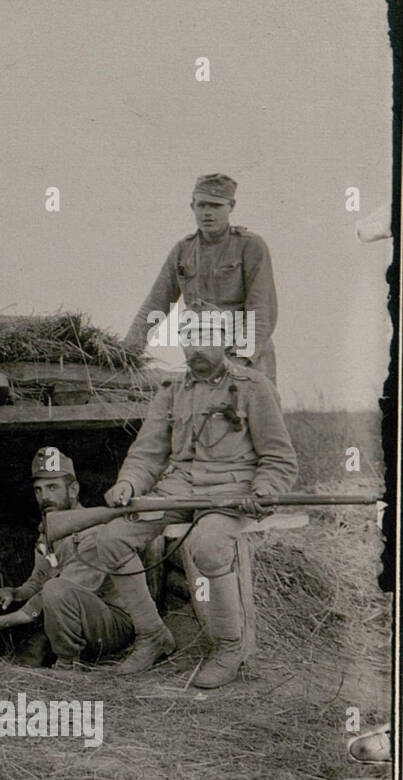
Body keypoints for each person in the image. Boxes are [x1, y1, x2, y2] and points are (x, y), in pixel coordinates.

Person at [78, 330, 298, 688]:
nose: (195, 347)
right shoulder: (171, 390)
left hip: (231, 490)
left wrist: (263, 490)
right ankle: (152, 636)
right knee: (111, 540)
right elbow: (148, 454)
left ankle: (229, 648)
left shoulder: (254, 386)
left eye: (205, 338)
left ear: (226, 341)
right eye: (188, 338)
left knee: (208, 546)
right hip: (177, 489)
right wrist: (128, 485)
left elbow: (279, 458)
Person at [0, 447, 133, 669]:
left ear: (73, 490)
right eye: (38, 490)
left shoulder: (94, 531)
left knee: (55, 591)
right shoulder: (49, 533)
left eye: (52, 487)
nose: (44, 497)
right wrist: (12, 593)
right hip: (72, 615)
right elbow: (37, 583)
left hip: (111, 623)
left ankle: (67, 665)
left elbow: (61, 590)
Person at [122, 174, 278, 384]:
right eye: (202, 205)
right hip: (202, 352)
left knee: (253, 412)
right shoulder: (183, 250)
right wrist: (127, 353)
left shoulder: (250, 246)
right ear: (192, 206)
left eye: (216, 206)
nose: (208, 213)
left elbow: (261, 309)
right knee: (199, 412)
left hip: (247, 354)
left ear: (231, 206)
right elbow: (155, 305)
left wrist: (241, 357)